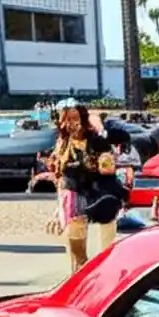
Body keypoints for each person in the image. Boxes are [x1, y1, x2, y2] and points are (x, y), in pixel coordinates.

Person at [48, 98, 114, 273]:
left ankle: (104, 269)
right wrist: (58, 208)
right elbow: (60, 176)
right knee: (74, 242)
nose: (71, 123)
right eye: (67, 119)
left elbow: (108, 166)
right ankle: (80, 275)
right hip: (72, 193)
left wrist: (103, 163)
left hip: (96, 191)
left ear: (82, 118)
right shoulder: (62, 142)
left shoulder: (96, 141)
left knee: (107, 236)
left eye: (75, 118)